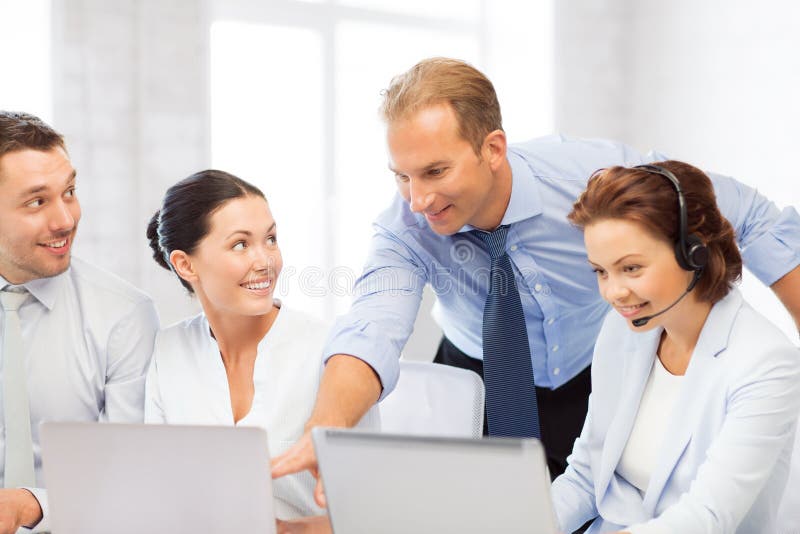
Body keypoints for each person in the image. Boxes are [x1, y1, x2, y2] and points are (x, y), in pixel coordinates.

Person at [271, 57, 800, 498]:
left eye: (435, 172)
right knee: (469, 516)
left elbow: (751, 217)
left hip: (597, 368)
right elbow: (372, 327)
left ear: (493, 149)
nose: (418, 199)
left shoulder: (590, 177)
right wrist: (328, 424)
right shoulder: (404, 229)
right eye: (402, 176)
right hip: (479, 376)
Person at [550, 161, 800, 532]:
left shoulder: (765, 362)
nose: (613, 293)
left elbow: (706, 518)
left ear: (693, 253)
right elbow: (587, 477)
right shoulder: (623, 332)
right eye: (601, 271)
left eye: (631, 268)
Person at [145, 170, 360, 521]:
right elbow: (159, 488)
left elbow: (370, 508)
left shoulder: (334, 350)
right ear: (185, 264)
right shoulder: (170, 350)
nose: (265, 261)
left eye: (271, 239)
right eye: (241, 244)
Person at [0, 111, 159, 533]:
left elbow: (131, 477)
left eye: (69, 192)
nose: (66, 220)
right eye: (37, 201)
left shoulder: (125, 316)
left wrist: (32, 506)